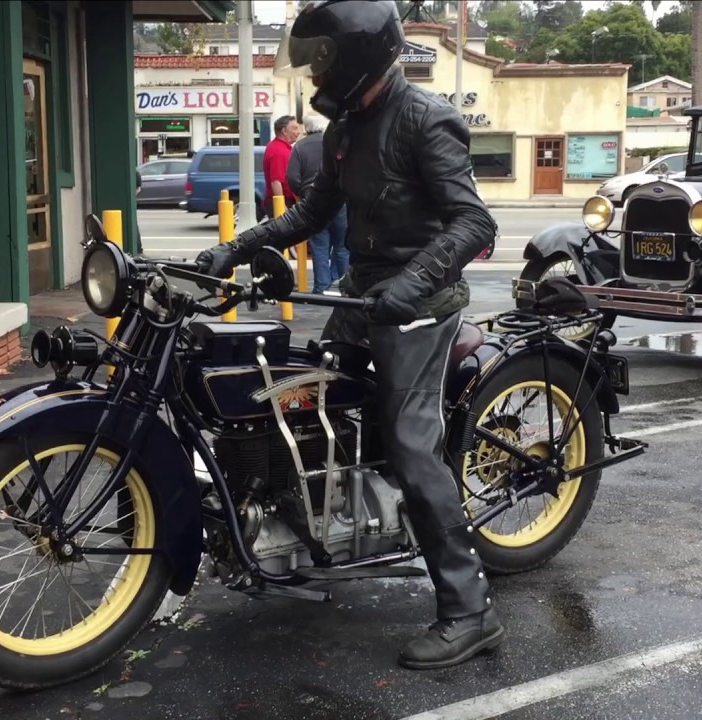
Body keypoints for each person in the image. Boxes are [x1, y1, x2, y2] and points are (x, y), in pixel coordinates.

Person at [196, 0, 502, 670]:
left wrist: (411, 282)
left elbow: (474, 223)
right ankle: (326, 528)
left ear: (359, 55)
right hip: (365, 296)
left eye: (321, 60)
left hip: (422, 303)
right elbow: (313, 210)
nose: (312, 74)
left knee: (411, 443)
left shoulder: (425, 119)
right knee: (309, 400)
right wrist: (238, 248)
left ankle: (470, 611)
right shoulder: (343, 130)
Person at [287, 113, 350, 294]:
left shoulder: (299, 147)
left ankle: (322, 288)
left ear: (306, 127)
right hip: (339, 199)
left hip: (312, 200)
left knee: (319, 246)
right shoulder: (336, 142)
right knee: (342, 246)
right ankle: (345, 287)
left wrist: (301, 193)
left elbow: (292, 177)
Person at [263, 115, 301, 211]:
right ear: (284, 131)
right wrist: (282, 208)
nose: (298, 132)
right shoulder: (278, 151)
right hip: (284, 202)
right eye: (295, 128)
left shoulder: (281, 148)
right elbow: (276, 181)